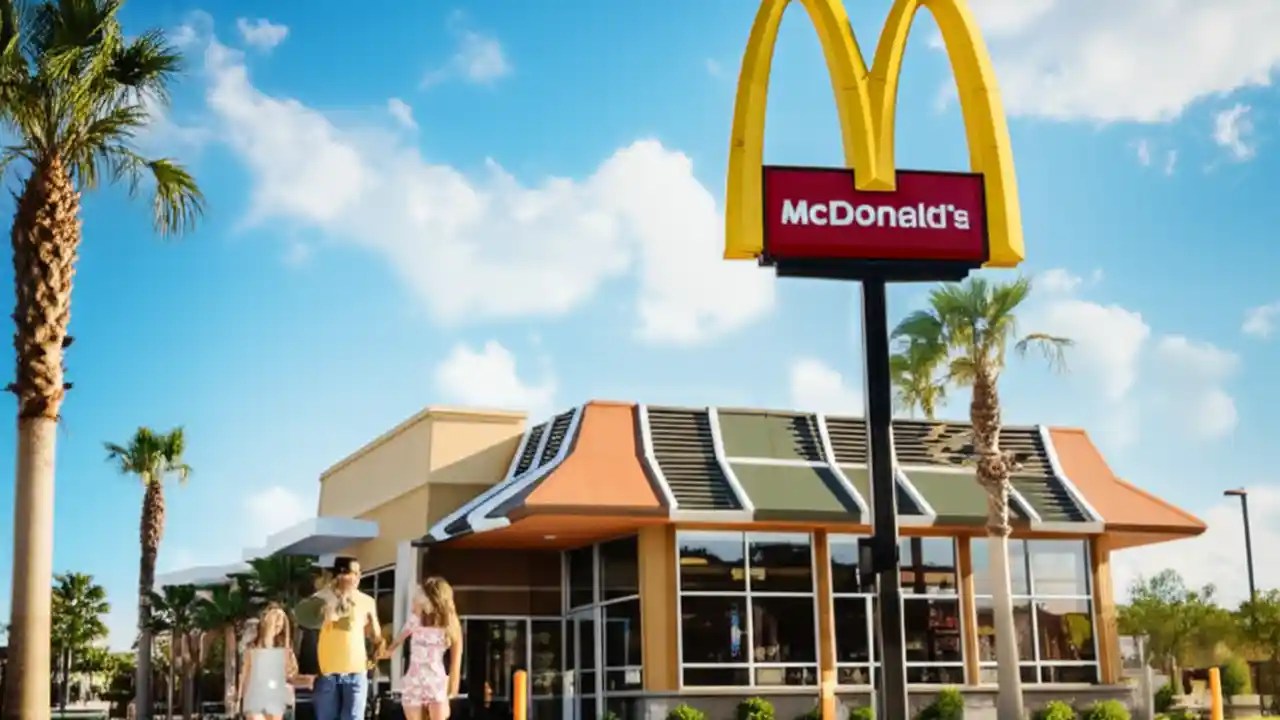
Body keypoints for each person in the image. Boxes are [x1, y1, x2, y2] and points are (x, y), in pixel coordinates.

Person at [310, 557, 383, 720]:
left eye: (359, 573)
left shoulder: (367, 601)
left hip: (356, 672)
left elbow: (376, 637)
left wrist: (371, 664)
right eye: (353, 573)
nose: (357, 578)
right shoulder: (321, 598)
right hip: (329, 673)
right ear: (340, 575)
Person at [381, 577, 463, 720]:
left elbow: (456, 659)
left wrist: (452, 686)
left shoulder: (449, 624)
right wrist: (389, 650)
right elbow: (401, 635)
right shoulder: (416, 619)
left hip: (436, 681)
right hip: (414, 680)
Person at [239, 603, 311, 720]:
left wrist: (308, 680)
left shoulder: (285, 651)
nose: (277, 626)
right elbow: (245, 675)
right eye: (274, 623)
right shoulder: (252, 649)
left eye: (280, 625)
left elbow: (291, 676)